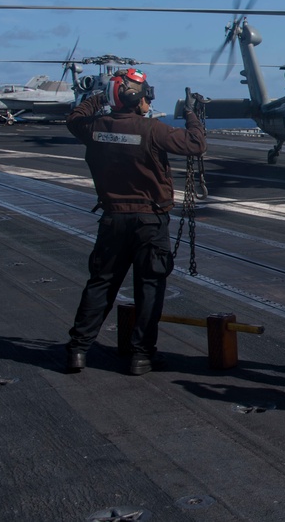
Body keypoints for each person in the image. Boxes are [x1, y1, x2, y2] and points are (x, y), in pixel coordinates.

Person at [64, 69, 207, 376]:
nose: (148, 102)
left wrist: (100, 98)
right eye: (146, 97)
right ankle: (141, 356)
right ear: (138, 100)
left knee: (101, 284)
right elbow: (196, 144)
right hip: (149, 222)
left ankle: (78, 349)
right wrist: (192, 112)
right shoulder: (153, 129)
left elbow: (74, 117)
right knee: (150, 288)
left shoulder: (94, 127)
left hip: (113, 219)